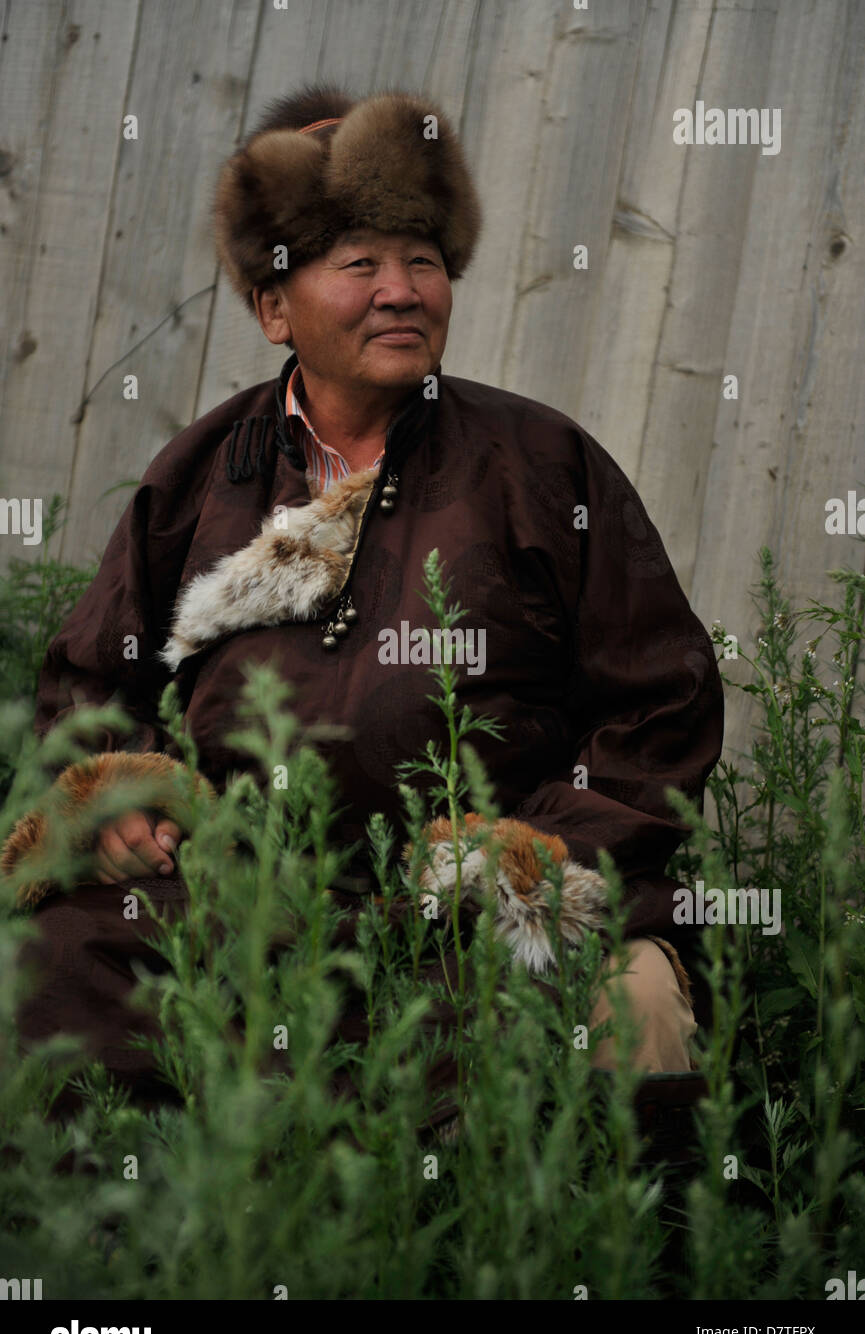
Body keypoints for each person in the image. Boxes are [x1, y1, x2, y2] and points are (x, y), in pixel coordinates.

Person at [2, 85, 724, 1135]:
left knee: (628, 1005)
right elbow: (94, 683)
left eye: (421, 260)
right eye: (358, 265)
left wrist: (532, 848)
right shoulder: (203, 473)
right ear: (273, 306)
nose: (401, 291)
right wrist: (128, 805)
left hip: (471, 907)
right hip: (243, 900)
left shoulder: (539, 464)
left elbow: (659, 705)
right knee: (54, 961)